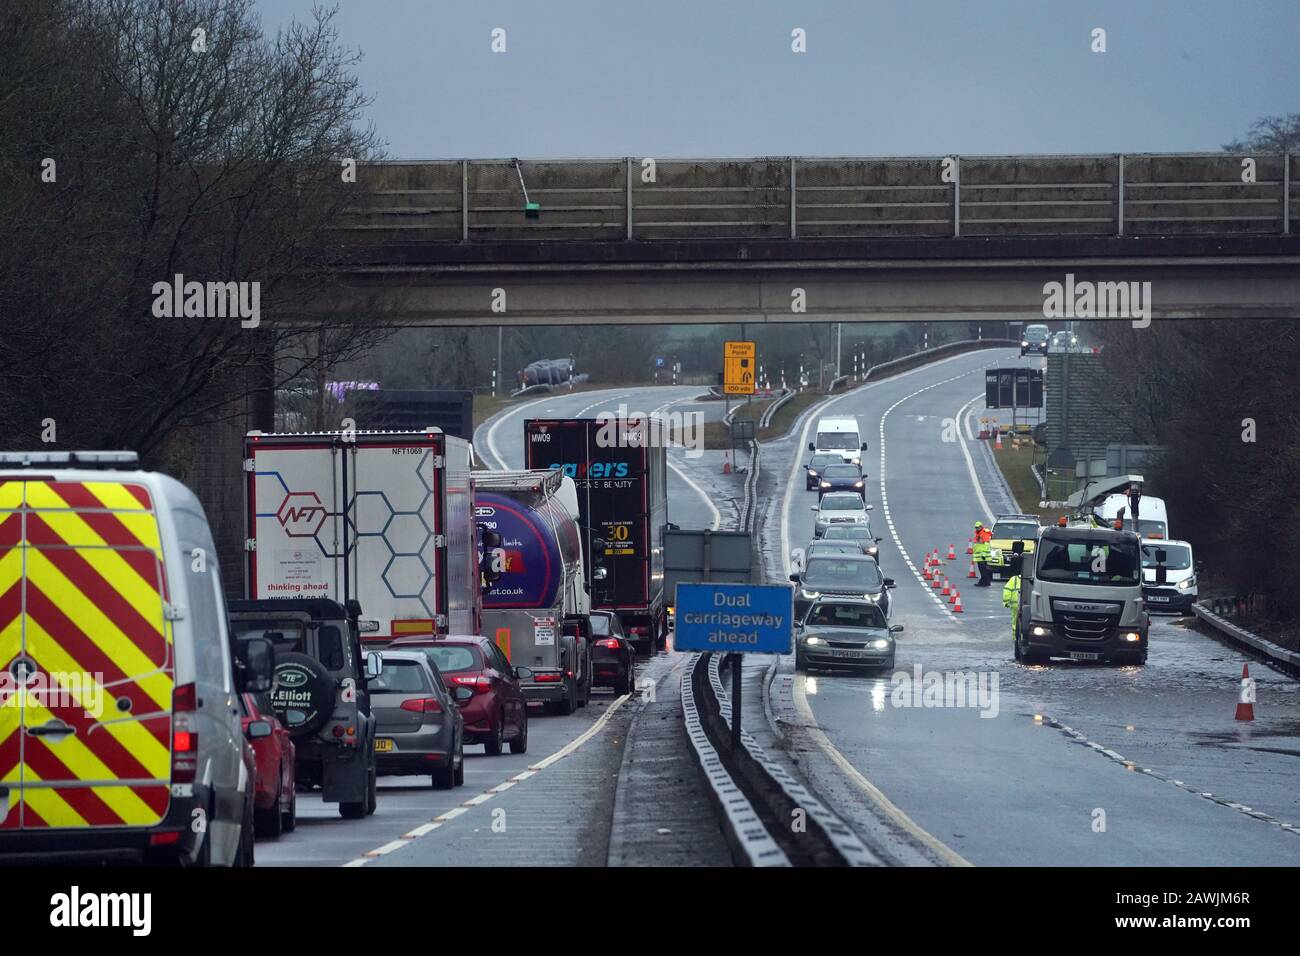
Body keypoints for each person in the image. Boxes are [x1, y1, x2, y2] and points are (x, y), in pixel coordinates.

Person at [972, 520, 993, 586]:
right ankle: (986, 581)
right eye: (976, 527)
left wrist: (983, 555)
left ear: (981, 527)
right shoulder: (978, 533)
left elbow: (985, 545)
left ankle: (983, 582)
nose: (976, 528)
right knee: (982, 569)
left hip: (983, 555)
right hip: (979, 555)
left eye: (978, 527)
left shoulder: (984, 533)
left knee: (983, 570)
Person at [1002, 571, 1021, 640]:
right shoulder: (1032, 579)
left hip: (1015, 605)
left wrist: (1006, 602)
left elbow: (1007, 590)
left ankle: (1015, 637)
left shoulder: (1014, 579)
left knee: (1015, 621)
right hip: (1027, 605)